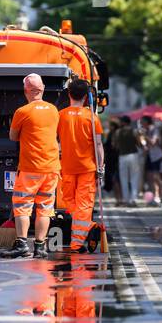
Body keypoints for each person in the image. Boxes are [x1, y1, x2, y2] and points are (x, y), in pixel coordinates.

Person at [4, 73, 61, 258]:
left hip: (30, 168)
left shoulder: (22, 112)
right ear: (42, 89)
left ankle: (21, 244)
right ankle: (40, 247)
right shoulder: (54, 110)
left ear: (25, 91)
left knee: (22, 205)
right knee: (45, 208)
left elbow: (12, 137)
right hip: (51, 167)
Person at [57, 78, 104, 253]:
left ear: (69, 94)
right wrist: (101, 166)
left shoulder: (60, 116)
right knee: (83, 206)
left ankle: (77, 244)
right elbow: (98, 145)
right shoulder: (92, 118)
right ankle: (89, 225)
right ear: (86, 96)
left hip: (67, 167)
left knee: (69, 201)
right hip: (88, 168)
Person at [112, 114, 142, 205]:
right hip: (133, 155)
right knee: (134, 177)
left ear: (124, 122)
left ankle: (125, 199)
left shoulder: (117, 132)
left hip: (122, 156)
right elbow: (139, 144)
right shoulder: (134, 131)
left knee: (123, 178)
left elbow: (114, 145)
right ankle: (133, 199)